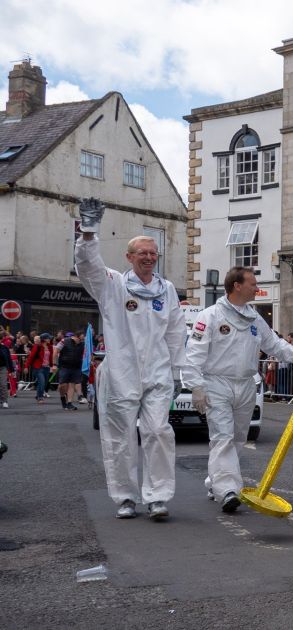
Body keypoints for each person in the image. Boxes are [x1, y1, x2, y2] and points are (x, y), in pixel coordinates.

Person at [75, 198, 185, 520]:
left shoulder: (168, 290)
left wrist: (179, 373)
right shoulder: (113, 285)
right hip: (122, 372)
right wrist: (89, 234)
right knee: (120, 438)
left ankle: (158, 497)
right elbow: (87, 267)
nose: (149, 258)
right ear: (129, 257)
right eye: (142, 253)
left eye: (153, 253)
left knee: (158, 432)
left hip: (158, 373)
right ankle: (125, 497)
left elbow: (176, 333)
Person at [184, 267, 293, 513]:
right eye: (253, 284)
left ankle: (216, 481)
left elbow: (273, 343)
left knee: (238, 437)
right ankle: (228, 491)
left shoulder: (254, 318)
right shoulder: (209, 316)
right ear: (237, 286)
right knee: (222, 437)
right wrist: (196, 386)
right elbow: (194, 355)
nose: (257, 288)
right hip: (217, 383)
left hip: (245, 384)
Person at [56, 332, 85, 410]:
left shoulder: (82, 344)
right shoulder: (64, 341)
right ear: (75, 337)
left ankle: (69, 403)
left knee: (72, 384)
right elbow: (56, 350)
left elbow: (86, 354)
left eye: (82, 339)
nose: (80, 341)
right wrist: (54, 364)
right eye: (80, 339)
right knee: (62, 385)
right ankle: (62, 398)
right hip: (64, 366)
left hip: (76, 367)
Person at [0, 340, 12, 409]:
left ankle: (4, 401)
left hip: (3, 368)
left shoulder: (4, 348)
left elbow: (9, 359)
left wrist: (11, 370)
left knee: (3, 384)